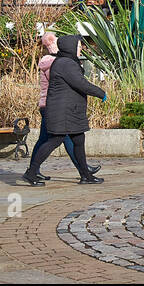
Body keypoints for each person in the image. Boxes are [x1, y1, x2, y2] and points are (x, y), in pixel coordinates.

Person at [22, 34, 107, 186]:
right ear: (71, 47)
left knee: (78, 139)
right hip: (62, 111)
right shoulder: (66, 64)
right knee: (55, 140)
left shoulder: (66, 62)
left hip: (70, 110)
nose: (81, 49)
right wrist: (101, 93)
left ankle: (85, 175)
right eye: (79, 47)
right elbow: (81, 84)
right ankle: (31, 172)